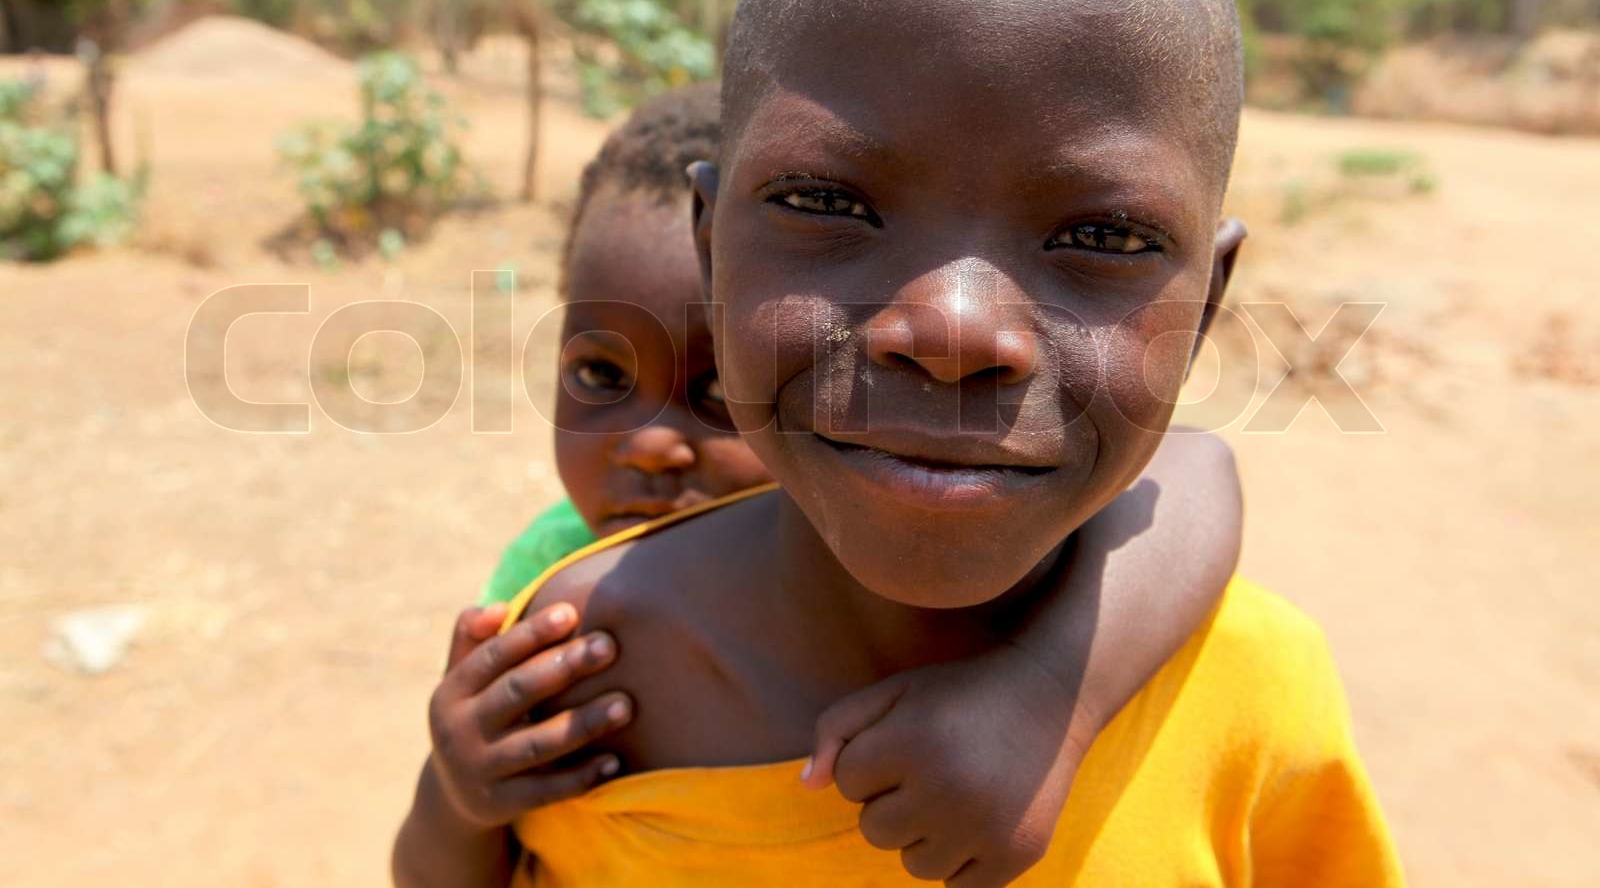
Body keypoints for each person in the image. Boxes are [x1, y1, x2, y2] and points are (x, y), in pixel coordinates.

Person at [395, 75, 1248, 887]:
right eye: (598, 377)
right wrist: (460, 790)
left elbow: (1196, 467)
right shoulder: (545, 592)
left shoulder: (890, 531)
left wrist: (1045, 692)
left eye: (718, 392)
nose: (651, 444)